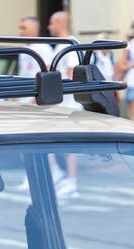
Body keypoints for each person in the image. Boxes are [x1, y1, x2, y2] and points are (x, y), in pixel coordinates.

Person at [47, 10, 81, 198]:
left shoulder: (69, 44)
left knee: (70, 145)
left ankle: (71, 181)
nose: (49, 27)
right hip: (61, 104)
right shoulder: (61, 44)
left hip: (69, 105)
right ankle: (61, 175)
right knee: (55, 140)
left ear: (60, 23)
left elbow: (71, 74)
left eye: (52, 23)